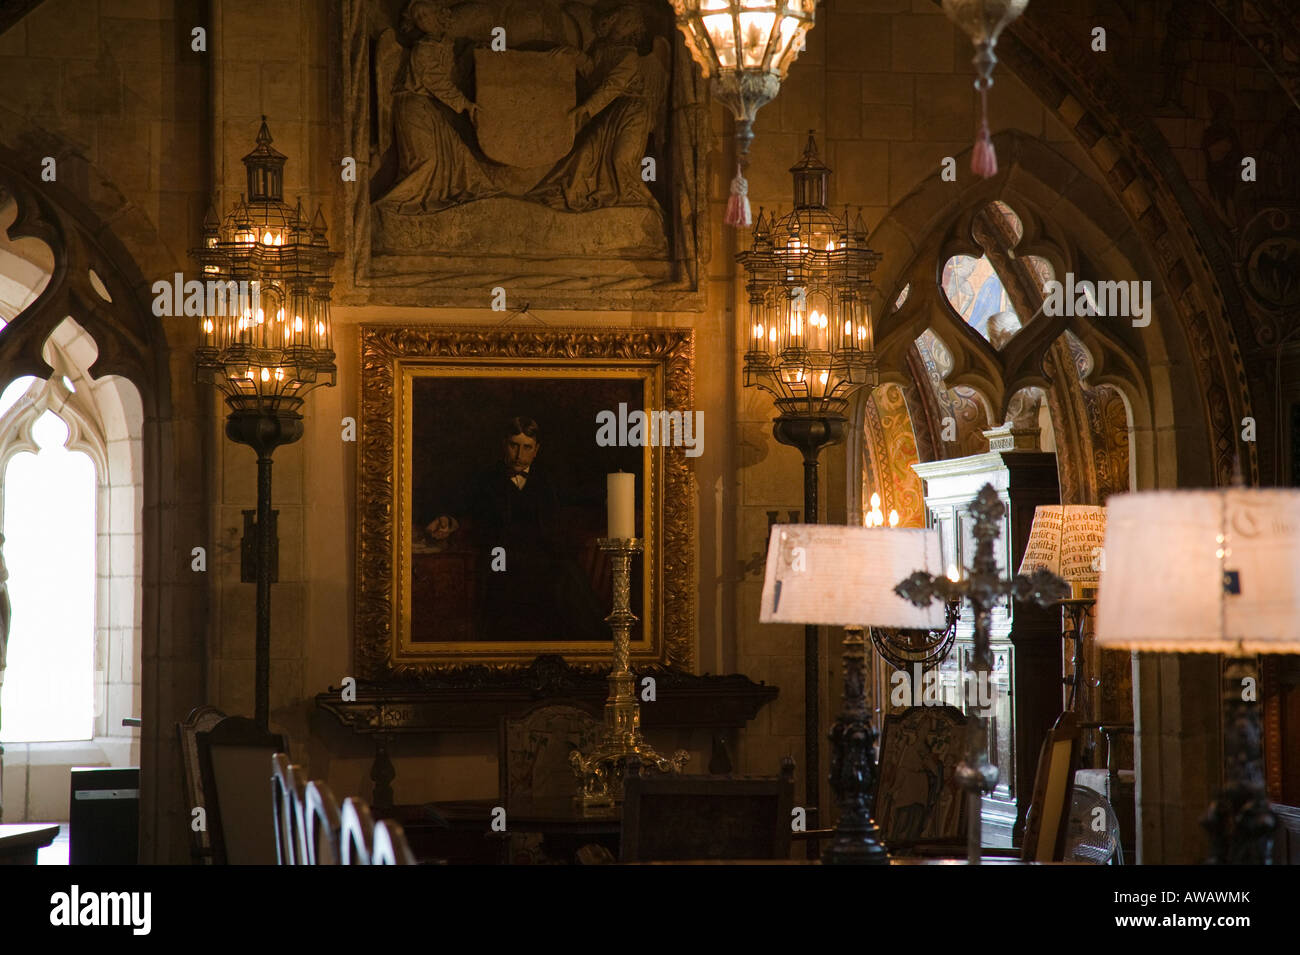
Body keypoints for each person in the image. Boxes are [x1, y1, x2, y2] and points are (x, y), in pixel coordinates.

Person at [461, 417, 607, 642]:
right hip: (501, 557)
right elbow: (468, 515)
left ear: (536, 450)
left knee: (567, 573)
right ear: (504, 444)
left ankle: (597, 645)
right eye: (514, 445)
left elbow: (576, 501)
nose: (519, 455)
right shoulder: (486, 481)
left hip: (540, 556)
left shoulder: (547, 481)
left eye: (527, 447)